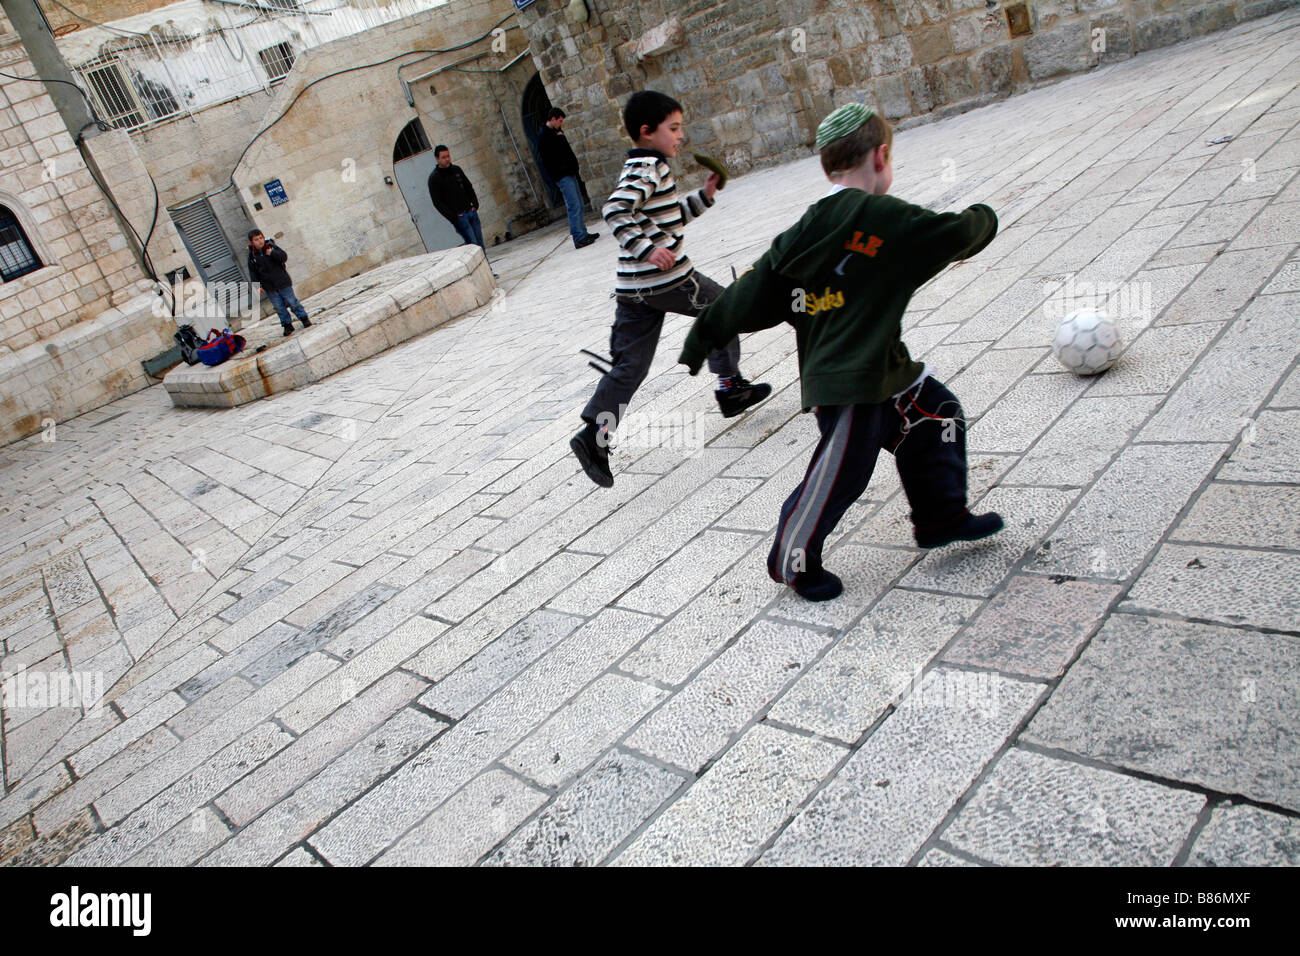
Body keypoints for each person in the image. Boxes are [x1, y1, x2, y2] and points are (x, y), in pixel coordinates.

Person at [678, 103, 1005, 602]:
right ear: (880, 156)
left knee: (937, 413)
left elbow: (754, 288)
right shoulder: (885, 217)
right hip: (848, 384)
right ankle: (792, 557)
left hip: (885, 370)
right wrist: (984, 217)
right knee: (842, 472)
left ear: (829, 166)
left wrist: (706, 332)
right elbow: (953, 236)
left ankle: (941, 517)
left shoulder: (802, 230)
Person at [569, 90, 772, 488]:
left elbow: (668, 218)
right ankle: (730, 388)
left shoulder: (642, 168)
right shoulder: (651, 168)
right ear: (647, 132)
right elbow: (614, 210)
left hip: (633, 289)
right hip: (669, 281)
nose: (680, 136)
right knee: (725, 309)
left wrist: (705, 196)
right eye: (673, 128)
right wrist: (649, 250)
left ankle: (595, 434)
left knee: (631, 365)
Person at [538, 107, 600, 249]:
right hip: (562, 175)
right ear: (553, 118)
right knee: (573, 205)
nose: (561, 124)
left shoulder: (555, 132)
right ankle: (579, 237)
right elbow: (551, 158)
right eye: (559, 121)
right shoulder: (545, 135)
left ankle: (582, 232)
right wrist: (560, 139)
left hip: (568, 173)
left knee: (578, 203)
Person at [247, 229, 311, 336]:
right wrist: (257, 286)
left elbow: (283, 257)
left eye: (261, 238)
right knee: (279, 307)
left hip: (282, 282)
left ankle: (304, 318)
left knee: (292, 302)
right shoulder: (252, 257)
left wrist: (272, 253)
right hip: (270, 287)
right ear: (252, 242)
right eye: (256, 240)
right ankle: (287, 325)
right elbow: (253, 272)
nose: (260, 241)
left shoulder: (271, 247)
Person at [427, 145, 484, 248]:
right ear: (437, 159)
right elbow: (437, 202)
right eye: (443, 157)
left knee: (480, 243)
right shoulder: (434, 178)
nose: (447, 159)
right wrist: (454, 217)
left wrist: (475, 204)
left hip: (471, 211)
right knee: (473, 245)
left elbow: (468, 187)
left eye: (448, 156)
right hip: (460, 217)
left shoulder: (457, 170)